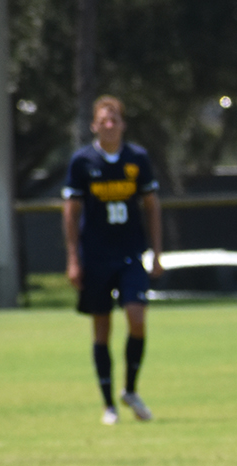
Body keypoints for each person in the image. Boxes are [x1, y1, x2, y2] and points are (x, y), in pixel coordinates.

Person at [63, 95, 161, 425]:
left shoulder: (137, 159)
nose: (109, 124)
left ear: (122, 124)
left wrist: (157, 254)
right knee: (101, 328)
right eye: (103, 120)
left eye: (114, 119)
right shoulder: (82, 162)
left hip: (130, 254)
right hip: (96, 256)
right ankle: (108, 405)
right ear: (94, 125)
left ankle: (130, 389)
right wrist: (73, 259)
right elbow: (71, 211)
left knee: (137, 317)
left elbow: (151, 206)